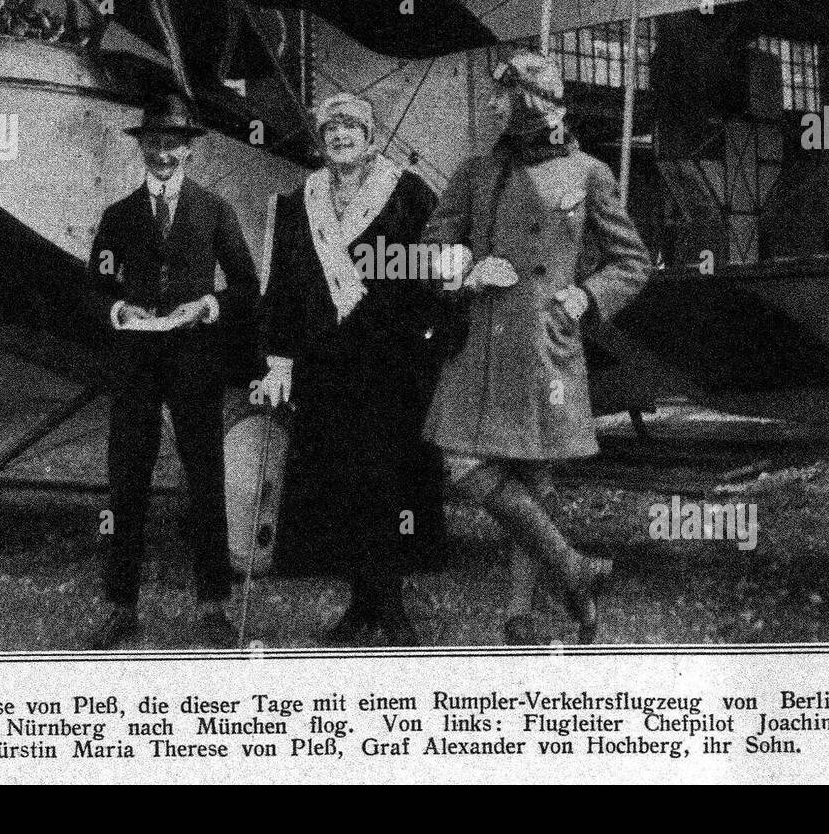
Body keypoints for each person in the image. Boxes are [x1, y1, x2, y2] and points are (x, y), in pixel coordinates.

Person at [423, 50, 653, 645]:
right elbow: (435, 240)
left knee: (534, 473)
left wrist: (586, 295)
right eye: (518, 100)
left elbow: (633, 263)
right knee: (465, 463)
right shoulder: (476, 171)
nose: (513, 109)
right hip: (480, 337)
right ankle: (574, 573)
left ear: (547, 107)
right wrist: (464, 266)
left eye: (535, 100)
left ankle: (533, 617)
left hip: (544, 338)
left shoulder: (589, 173)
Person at [259, 93, 447, 646]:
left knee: (388, 481)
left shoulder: (408, 194)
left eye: (352, 128)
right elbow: (284, 288)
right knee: (343, 484)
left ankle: (391, 605)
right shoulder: (296, 204)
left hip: (391, 364)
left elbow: (432, 268)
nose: (341, 136)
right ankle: (359, 605)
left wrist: (430, 332)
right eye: (331, 129)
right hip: (326, 368)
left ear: (370, 136)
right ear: (321, 141)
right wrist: (280, 358)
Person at [86, 91, 260, 649]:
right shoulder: (117, 218)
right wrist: (118, 310)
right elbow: (94, 291)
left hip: (194, 361)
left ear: (190, 152)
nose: (164, 155)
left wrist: (204, 306)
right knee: (126, 480)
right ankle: (120, 608)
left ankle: (213, 605)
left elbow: (244, 286)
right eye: (156, 145)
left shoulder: (215, 211)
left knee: (205, 478)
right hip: (135, 361)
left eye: (174, 146)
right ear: (143, 150)